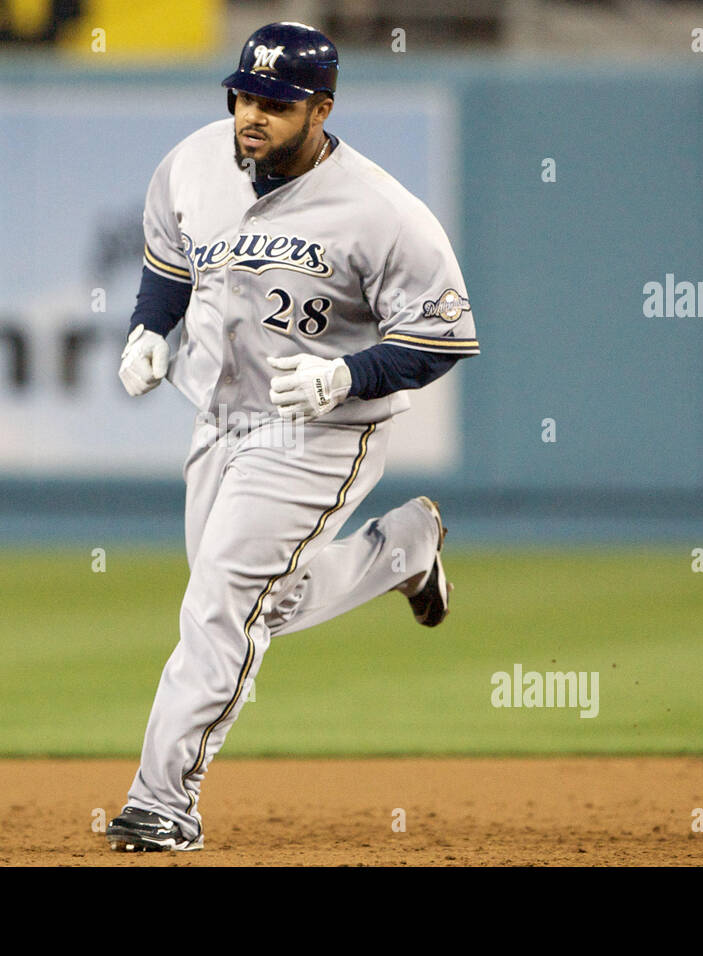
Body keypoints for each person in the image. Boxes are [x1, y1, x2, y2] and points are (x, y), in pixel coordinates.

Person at [107, 21, 480, 852]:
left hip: (321, 432)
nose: (253, 114)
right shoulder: (194, 163)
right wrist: (147, 332)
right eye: (244, 95)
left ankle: (162, 800)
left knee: (219, 605)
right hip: (219, 420)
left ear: (321, 108)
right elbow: (169, 263)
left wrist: (349, 375)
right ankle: (401, 549)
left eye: (275, 103)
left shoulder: (383, 211)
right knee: (260, 603)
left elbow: (444, 336)